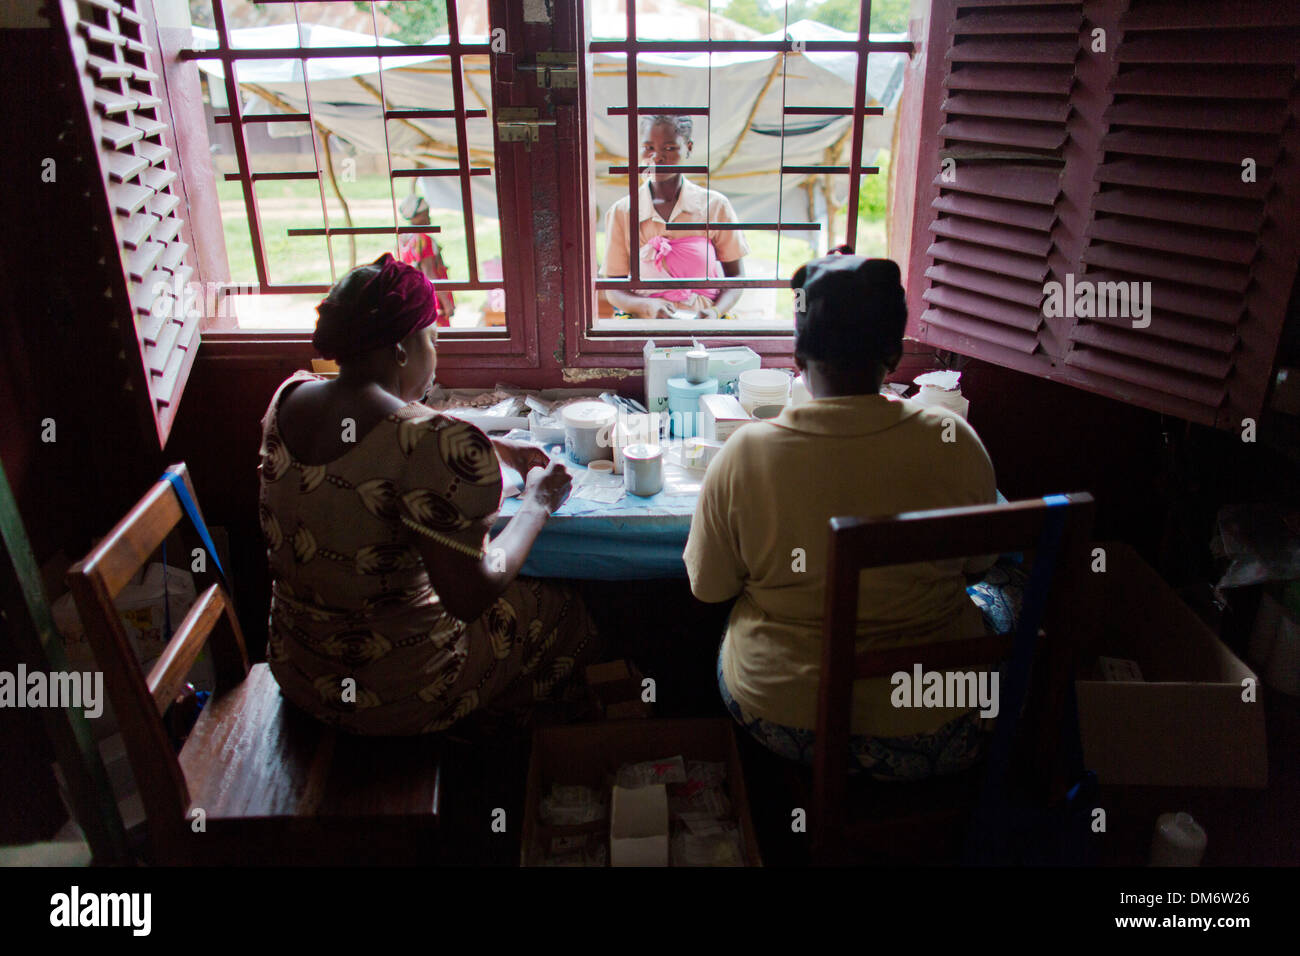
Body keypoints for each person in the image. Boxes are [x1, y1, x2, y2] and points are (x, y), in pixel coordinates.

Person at [683, 253, 1017, 782]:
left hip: (786, 717)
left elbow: (709, 589)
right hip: (937, 720)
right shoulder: (954, 440)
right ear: (895, 352)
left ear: (797, 354)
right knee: (1003, 597)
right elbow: (980, 563)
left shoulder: (745, 455)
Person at [258, 252, 598, 734]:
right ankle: (496, 752)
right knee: (562, 609)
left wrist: (490, 444)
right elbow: (472, 593)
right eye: (433, 340)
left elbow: (375, 439)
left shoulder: (287, 399)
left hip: (301, 668)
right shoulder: (434, 443)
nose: (436, 357)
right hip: (398, 689)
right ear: (401, 350)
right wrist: (539, 504)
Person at [601, 115, 749, 320]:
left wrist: (714, 312)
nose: (657, 157)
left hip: (703, 328)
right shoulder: (622, 212)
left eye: (669, 148)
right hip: (644, 327)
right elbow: (613, 288)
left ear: (688, 147)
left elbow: (736, 277)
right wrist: (646, 306)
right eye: (648, 147)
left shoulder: (715, 207)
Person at [398, 192, 454, 325]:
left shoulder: (404, 238)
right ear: (414, 217)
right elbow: (429, 273)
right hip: (432, 300)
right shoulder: (424, 239)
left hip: (416, 298)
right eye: (425, 214)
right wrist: (446, 304)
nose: (429, 218)